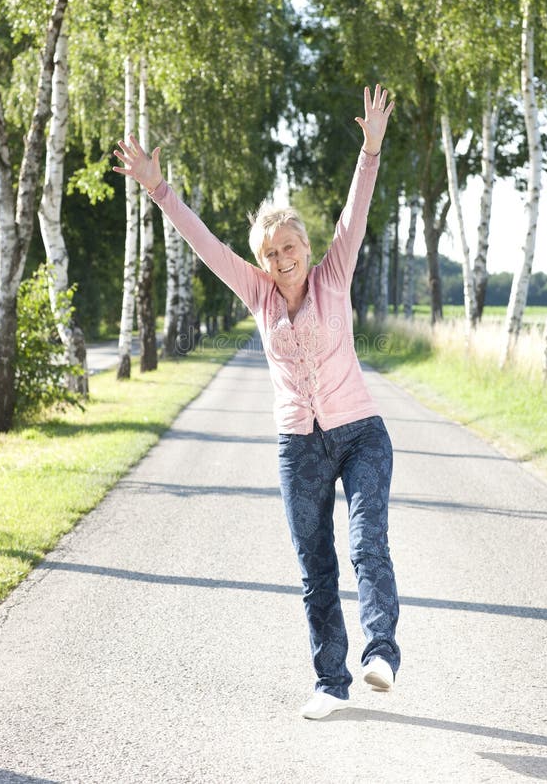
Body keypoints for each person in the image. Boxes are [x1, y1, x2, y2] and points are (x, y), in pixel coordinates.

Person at [113, 84, 400, 720]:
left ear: (305, 246)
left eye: (289, 248)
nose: (281, 260)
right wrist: (159, 190)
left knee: (365, 545)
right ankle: (330, 683)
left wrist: (370, 149)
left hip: (360, 434)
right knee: (314, 566)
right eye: (270, 254)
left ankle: (381, 653)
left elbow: (355, 212)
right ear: (264, 261)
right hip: (298, 447)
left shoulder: (333, 275)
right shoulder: (259, 292)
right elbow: (207, 244)